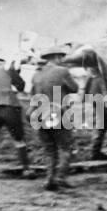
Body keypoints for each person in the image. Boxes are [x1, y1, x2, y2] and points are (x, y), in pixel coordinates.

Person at [65, 26, 107, 160]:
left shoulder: (94, 45)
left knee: (101, 122)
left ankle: (95, 152)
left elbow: (80, 58)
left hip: (95, 88)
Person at [28, 46, 79, 190]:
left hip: (40, 114)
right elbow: (74, 88)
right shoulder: (62, 71)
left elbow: (33, 96)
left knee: (49, 149)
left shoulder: (36, 75)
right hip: (59, 113)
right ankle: (60, 177)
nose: (62, 59)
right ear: (56, 57)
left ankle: (49, 179)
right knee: (66, 147)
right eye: (61, 57)